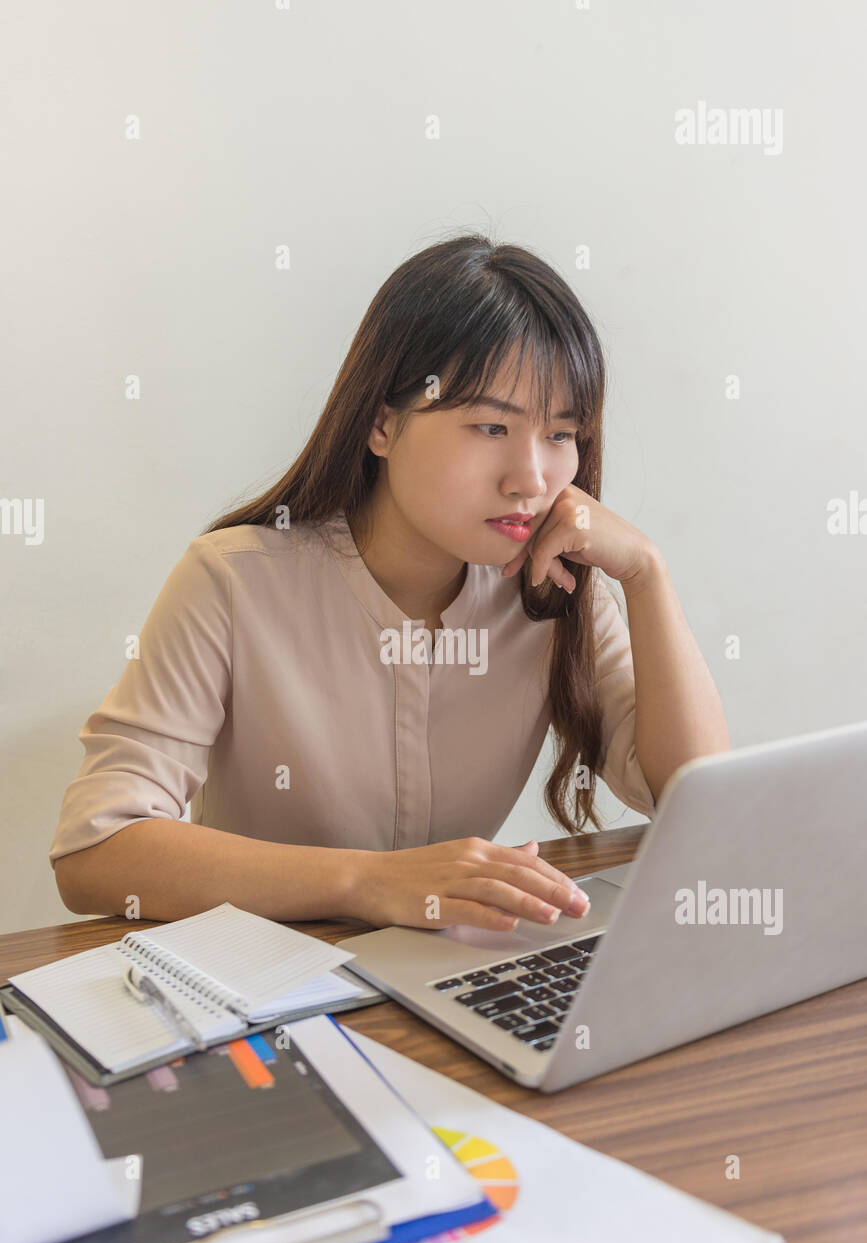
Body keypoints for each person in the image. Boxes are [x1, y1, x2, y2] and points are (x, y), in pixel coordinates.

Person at [50, 233, 729, 930]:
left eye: (561, 434)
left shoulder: (555, 592)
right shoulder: (232, 579)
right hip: (271, 991)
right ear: (381, 423)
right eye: (491, 426)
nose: (530, 478)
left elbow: (699, 806)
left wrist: (647, 574)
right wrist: (365, 881)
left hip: (449, 974)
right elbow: (96, 848)